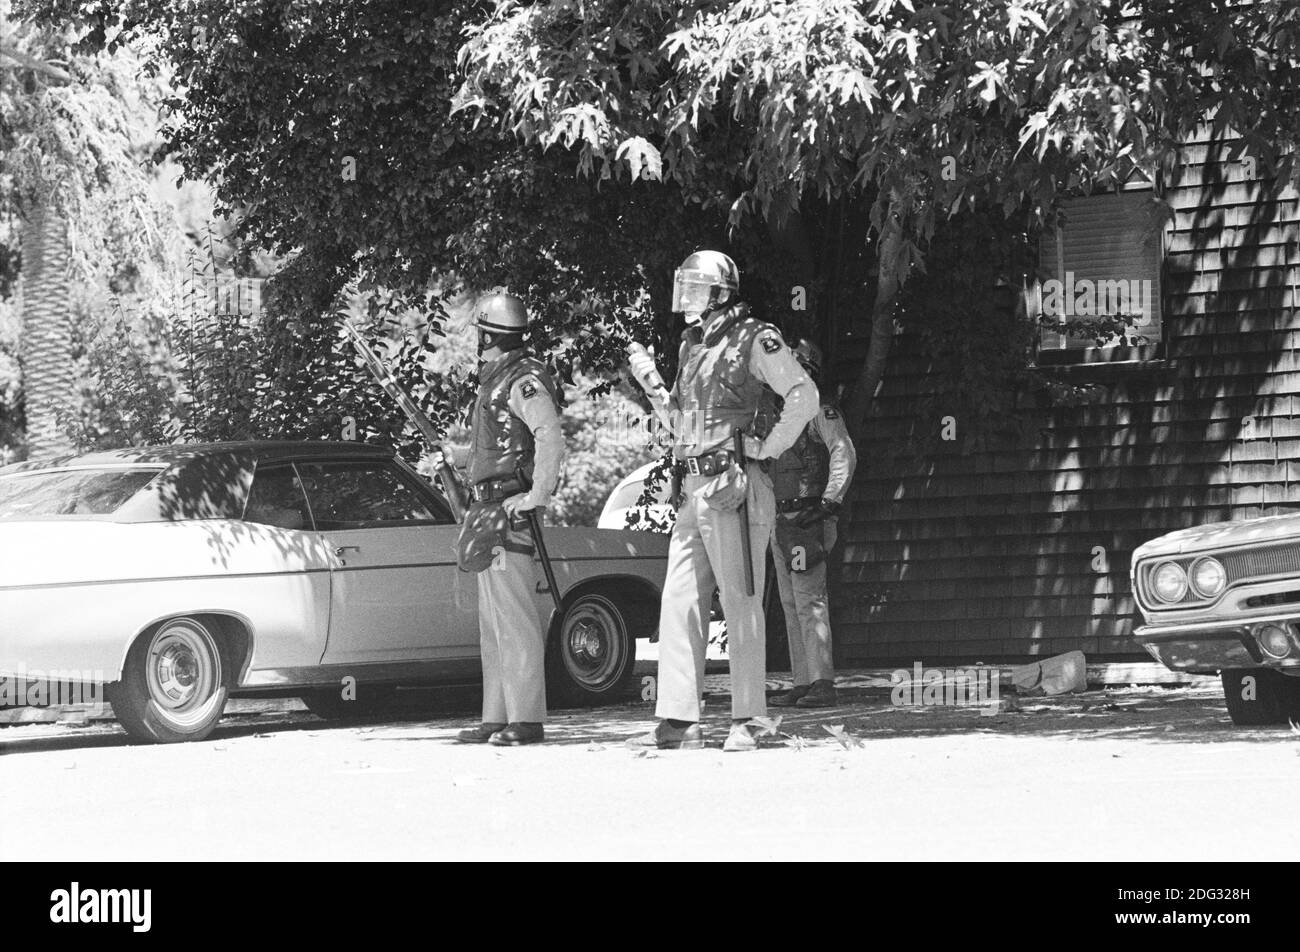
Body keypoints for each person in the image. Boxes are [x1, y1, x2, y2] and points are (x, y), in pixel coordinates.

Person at [626, 251, 818, 751]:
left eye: (694, 289)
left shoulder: (756, 336)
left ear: (718, 293)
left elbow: (803, 393)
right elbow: (677, 422)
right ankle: (680, 717)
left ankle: (750, 718)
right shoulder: (694, 348)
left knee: (740, 600)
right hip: (694, 486)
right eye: (684, 288)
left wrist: (768, 447)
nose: (686, 299)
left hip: (734, 482)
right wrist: (649, 382)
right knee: (679, 600)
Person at [451, 291, 564, 746]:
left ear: (488, 335)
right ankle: (497, 716)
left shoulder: (523, 380)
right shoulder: (498, 381)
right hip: (488, 509)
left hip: (509, 510)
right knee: (493, 624)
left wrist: (537, 495)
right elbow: (496, 451)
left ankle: (527, 718)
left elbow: (549, 437)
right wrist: (456, 457)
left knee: (514, 619)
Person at [768, 340, 857, 708]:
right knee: (791, 602)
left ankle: (822, 682)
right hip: (782, 518)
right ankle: (803, 681)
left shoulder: (822, 412)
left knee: (809, 600)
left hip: (808, 518)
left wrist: (827, 504)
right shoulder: (782, 417)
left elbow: (844, 452)